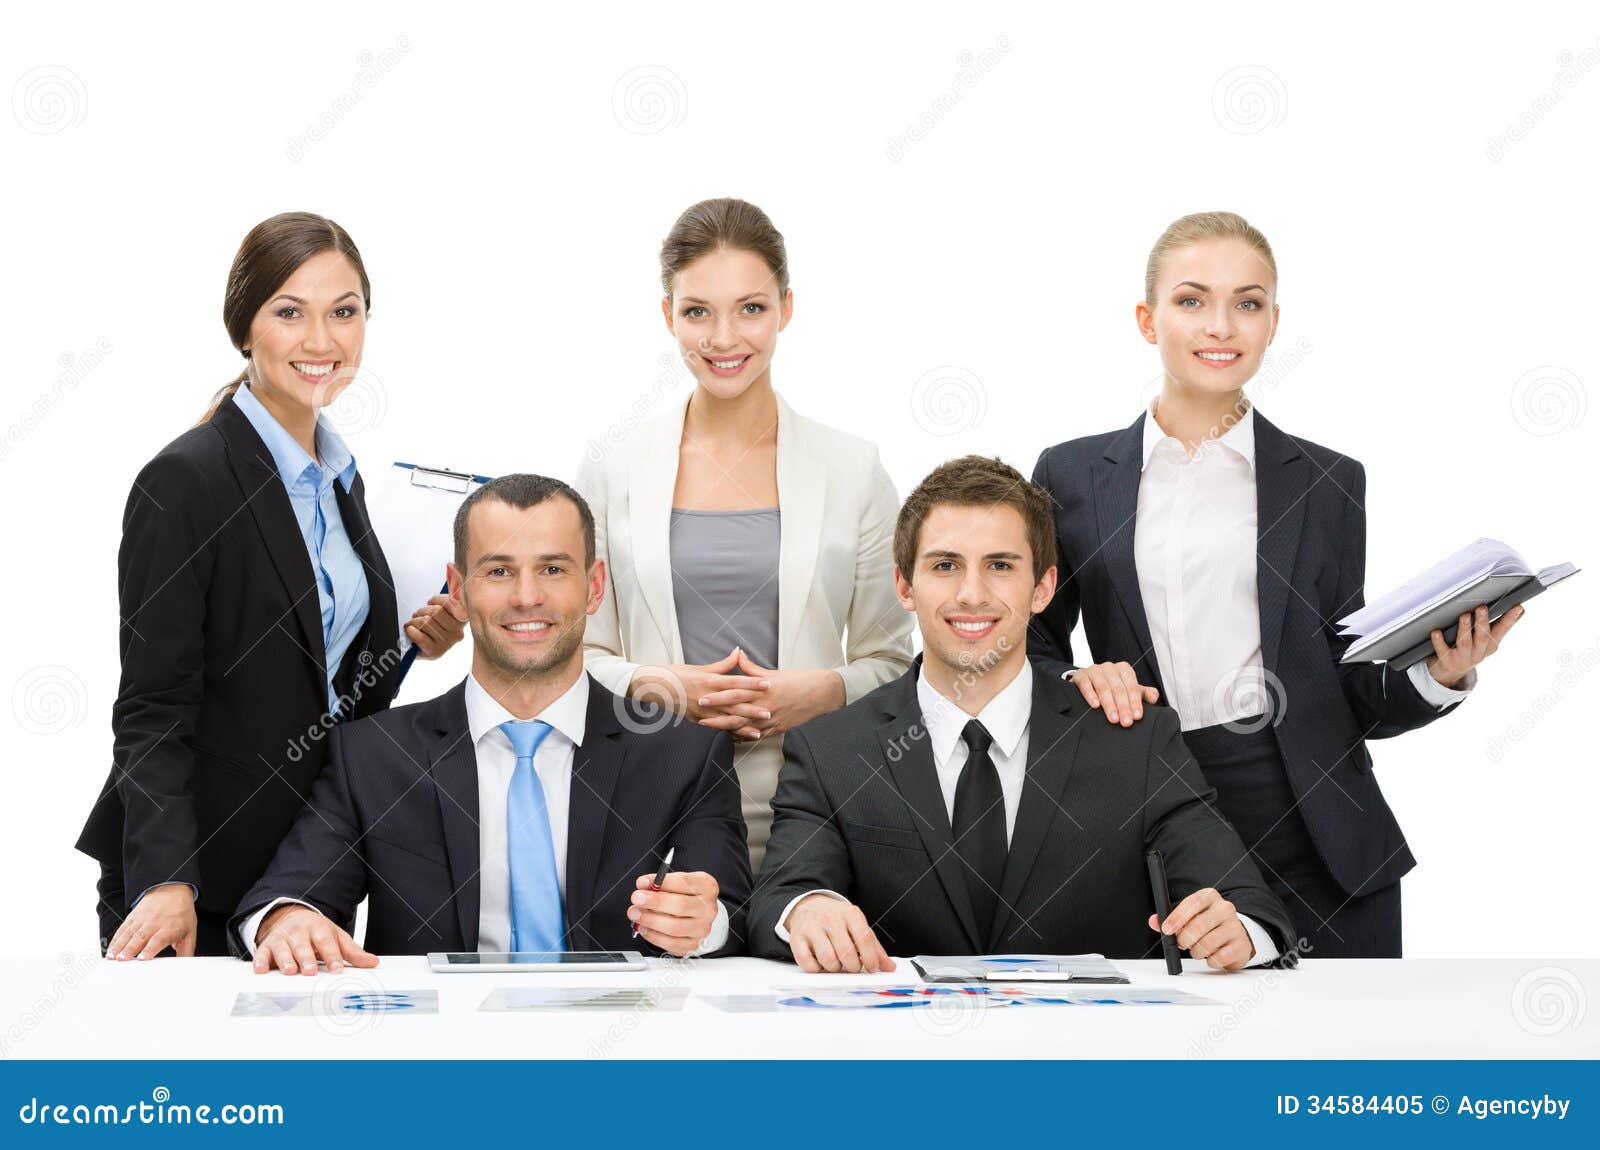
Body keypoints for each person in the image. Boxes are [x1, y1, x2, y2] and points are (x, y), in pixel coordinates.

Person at [1029, 211, 1523, 958]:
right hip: (1155, 805)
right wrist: (1080, 679)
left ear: (1272, 322)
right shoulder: (1069, 475)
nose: (1220, 324)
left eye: (1248, 302)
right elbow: (1025, 646)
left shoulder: (1329, 481)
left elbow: (1346, 680)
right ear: (1146, 319)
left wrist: (1440, 675)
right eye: (1191, 300)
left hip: (1315, 821)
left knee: (1344, 1051)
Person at [76, 212, 465, 961]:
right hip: (193, 868)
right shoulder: (186, 479)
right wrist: (165, 880)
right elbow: (153, 705)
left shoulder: (338, 478)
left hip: (303, 863)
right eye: (291, 312)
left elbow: (326, 691)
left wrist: (410, 648)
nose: (322, 341)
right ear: (244, 328)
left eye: (344, 312)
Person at [749, 456, 1294, 972]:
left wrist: (1238, 930)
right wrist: (807, 910)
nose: (971, 593)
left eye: (1000, 566)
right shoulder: (831, 749)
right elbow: (780, 895)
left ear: (1043, 589)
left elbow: (1251, 904)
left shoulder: (1136, 740)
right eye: (945, 565)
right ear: (904, 586)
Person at [232, 475, 752, 972]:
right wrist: (289, 919)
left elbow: (735, 916)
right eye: (499, 571)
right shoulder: (372, 754)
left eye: (552, 569)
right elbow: (289, 893)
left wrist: (703, 925)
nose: (527, 597)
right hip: (440, 1052)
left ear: (594, 587)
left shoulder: (685, 754)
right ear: (457, 590)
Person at [577, 198, 913, 867]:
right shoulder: (613, 467)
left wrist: (820, 691)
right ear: (668, 315)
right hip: (646, 810)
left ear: (786, 308)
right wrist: (663, 687)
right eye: (698, 311)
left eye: (751, 308)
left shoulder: (852, 468)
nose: (724, 338)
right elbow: (574, 657)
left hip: (817, 810)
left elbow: (893, 663)